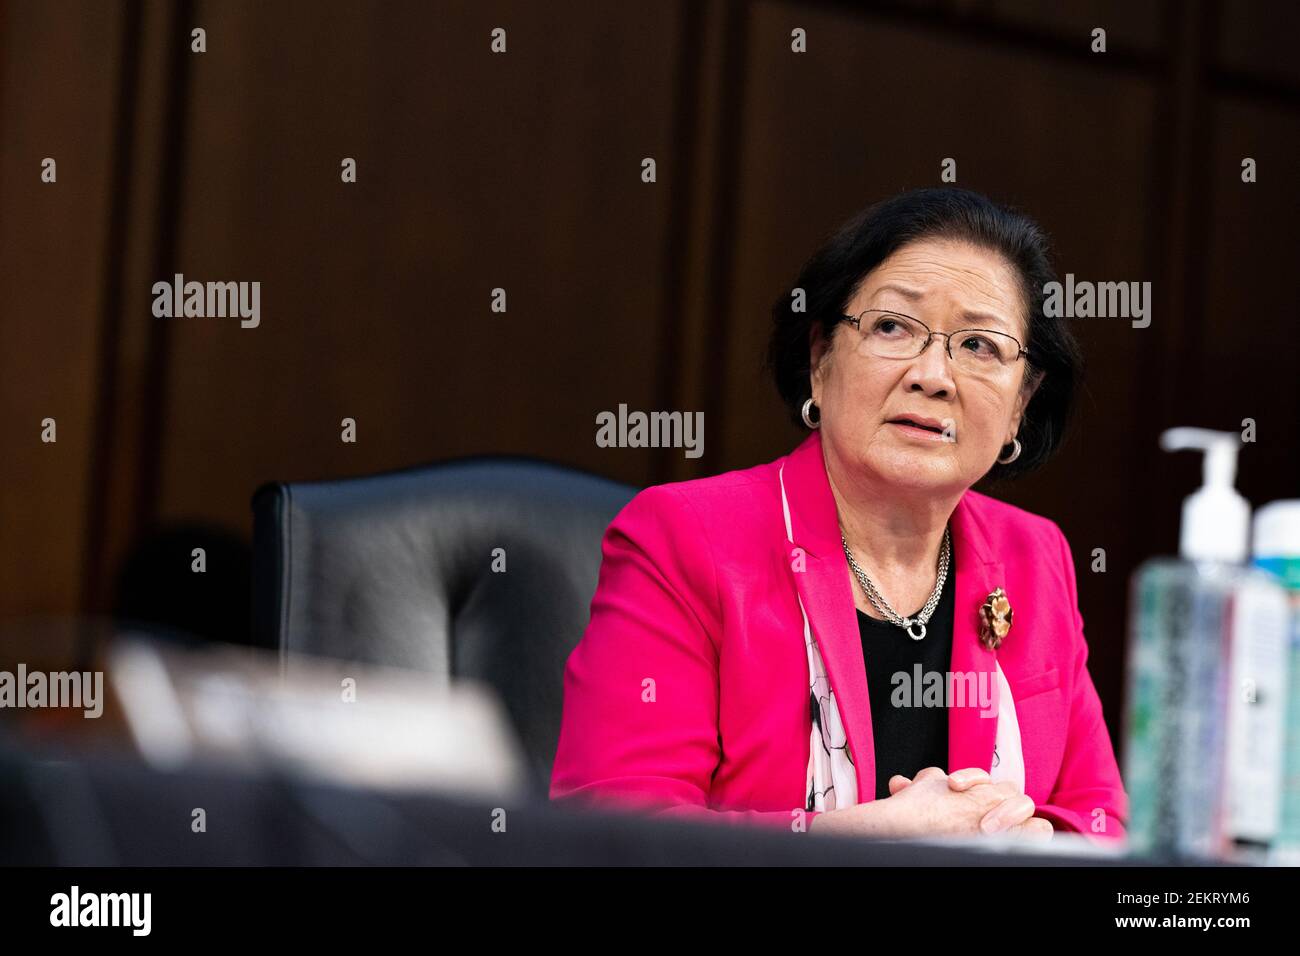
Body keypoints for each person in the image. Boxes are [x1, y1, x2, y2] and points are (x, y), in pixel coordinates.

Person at [550, 187, 1128, 843]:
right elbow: (610, 838)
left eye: (980, 346)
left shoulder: (1034, 554)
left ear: (1021, 406)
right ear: (820, 358)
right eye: (892, 328)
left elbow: (1104, 819)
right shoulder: (682, 537)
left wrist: (1034, 840)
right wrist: (873, 840)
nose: (933, 375)